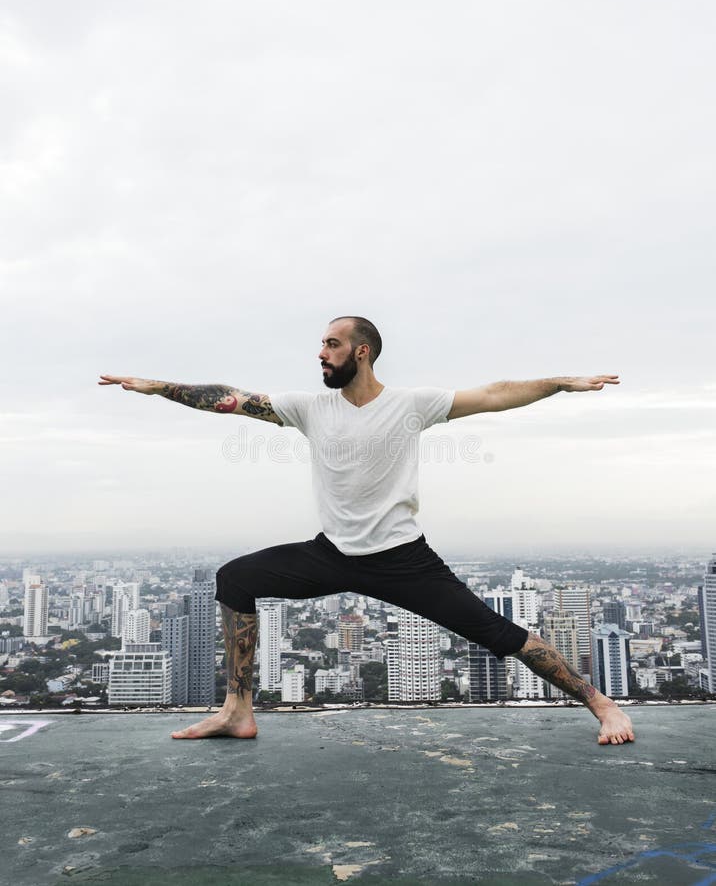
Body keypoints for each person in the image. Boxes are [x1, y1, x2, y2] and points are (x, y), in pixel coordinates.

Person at [98, 315, 635, 746]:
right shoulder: (310, 408)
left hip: (403, 560)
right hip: (330, 554)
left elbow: (494, 394)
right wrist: (160, 387)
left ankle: (601, 703)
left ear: (361, 352)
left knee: (499, 634)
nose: (320, 354)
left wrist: (559, 384)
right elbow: (232, 399)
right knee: (235, 579)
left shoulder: (411, 404)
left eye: (331, 344)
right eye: (321, 345)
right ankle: (237, 711)